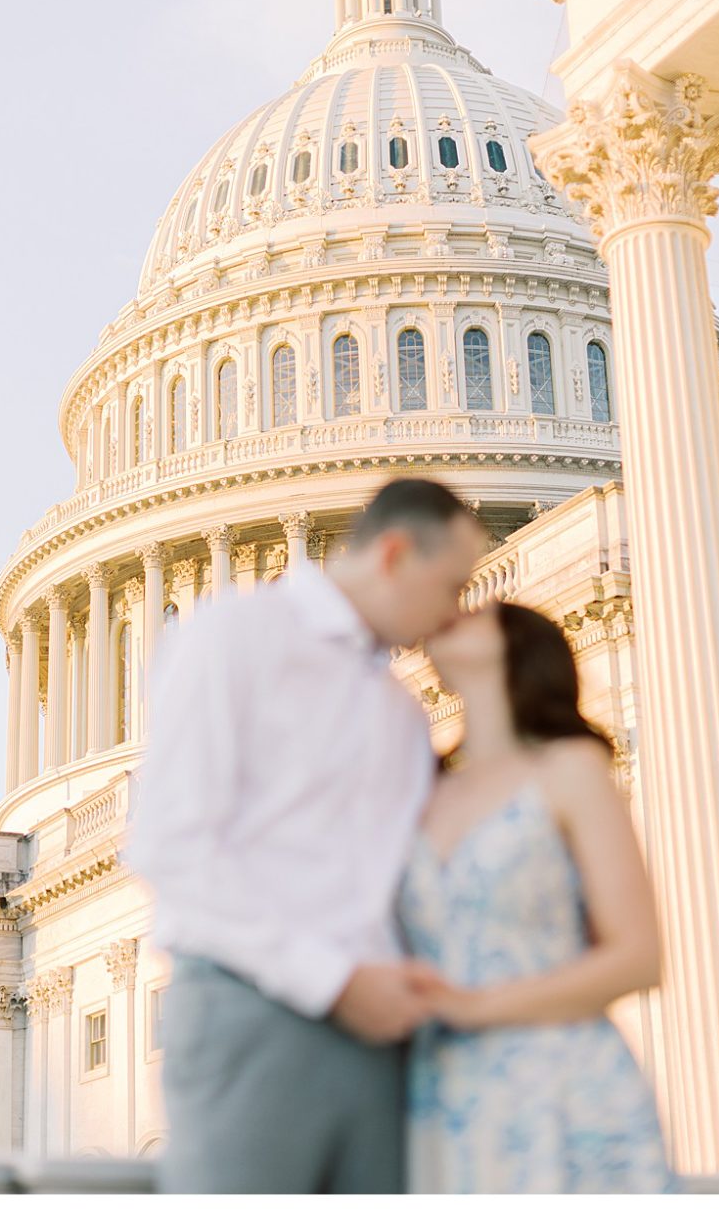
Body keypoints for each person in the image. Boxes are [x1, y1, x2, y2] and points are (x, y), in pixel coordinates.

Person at [126, 477, 486, 1192]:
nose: (454, 613)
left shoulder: (402, 714)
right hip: (250, 1013)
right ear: (394, 553)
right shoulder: (235, 634)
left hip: (382, 1037)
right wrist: (334, 981)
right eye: (451, 586)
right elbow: (170, 842)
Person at [401, 600, 669, 1192]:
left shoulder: (571, 767)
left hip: (560, 1083)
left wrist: (472, 1008)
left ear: (517, 646)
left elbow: (638, 955)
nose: (453, 612)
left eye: (477, 614)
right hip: (444, 1095)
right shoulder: (424, 787)